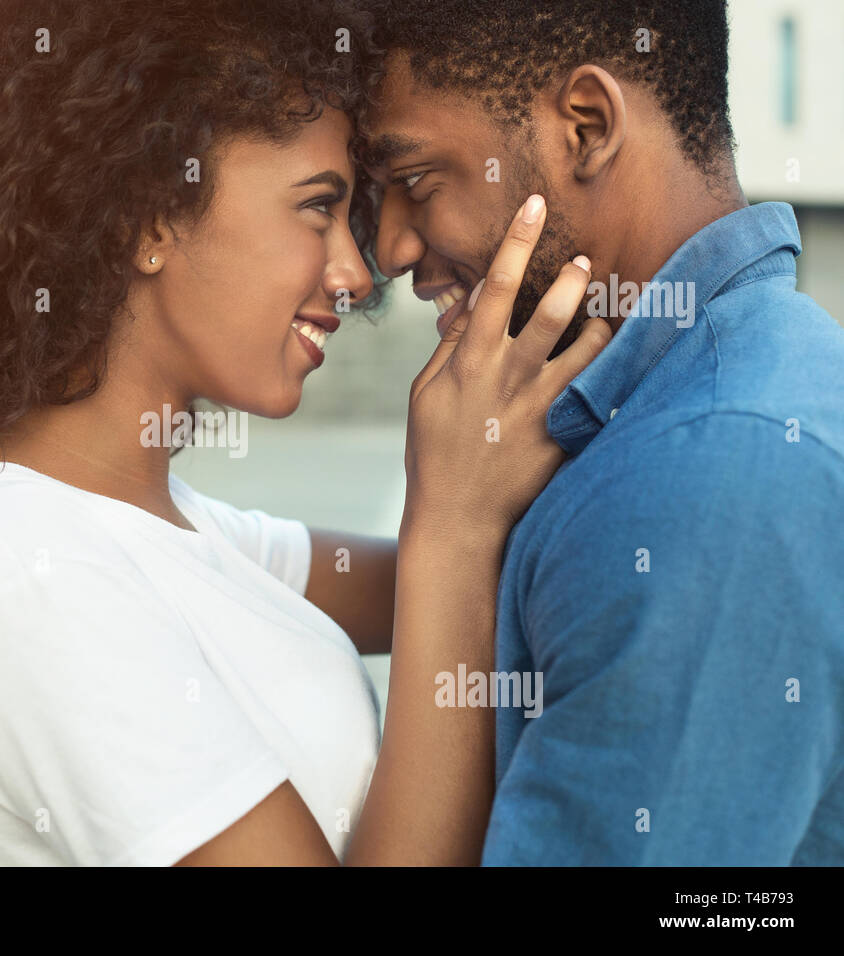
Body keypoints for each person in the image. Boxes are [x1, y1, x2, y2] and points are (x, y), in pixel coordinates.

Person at [0, 0, 608, 865]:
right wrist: (452, 522)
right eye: (317, 208)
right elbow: (447, 567)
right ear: (150, 217)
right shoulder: (22, 569)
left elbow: (438, 586)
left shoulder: (162, 526)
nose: (353, 273)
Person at [356, 0, 844, 864]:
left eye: (418, 180)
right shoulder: (657, 406)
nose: (390, 249)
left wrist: (453, 528)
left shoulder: (711, 476)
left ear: (585, 126)